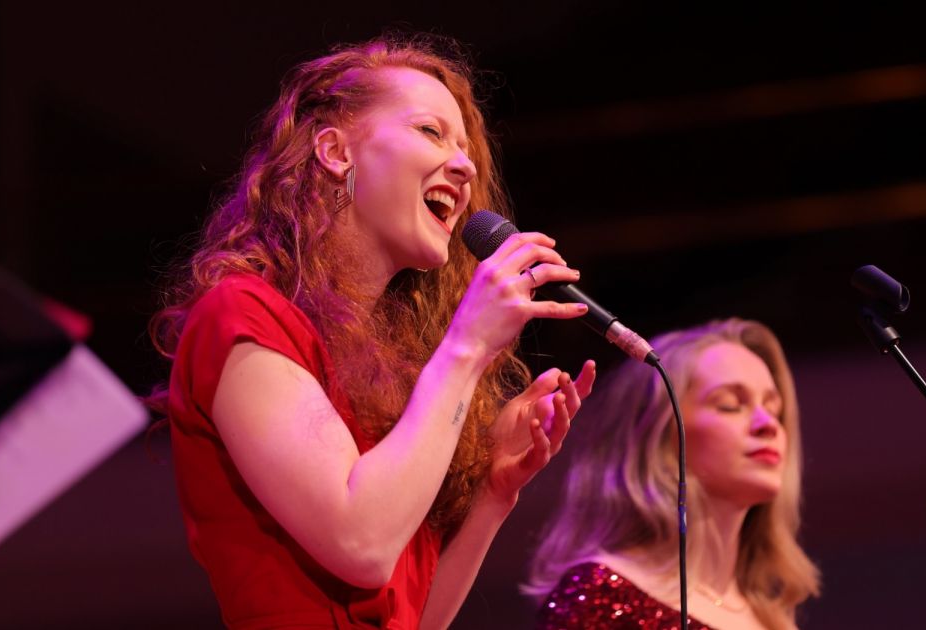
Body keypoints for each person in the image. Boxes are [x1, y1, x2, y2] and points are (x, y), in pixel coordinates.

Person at [149, 34, 596, 629]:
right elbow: (359, 544)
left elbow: (416, 620)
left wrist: (494, 491)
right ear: (336, 152)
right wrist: (466, 348)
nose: (465, 166)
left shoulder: (398, 370)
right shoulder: (241, 314)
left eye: (465, 148)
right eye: (431, 132)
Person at [526, 319, 819, 630]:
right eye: (730, 405)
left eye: (774, 410)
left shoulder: (774, 619)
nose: (768, 424)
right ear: (659, 436)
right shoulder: (601, 596)